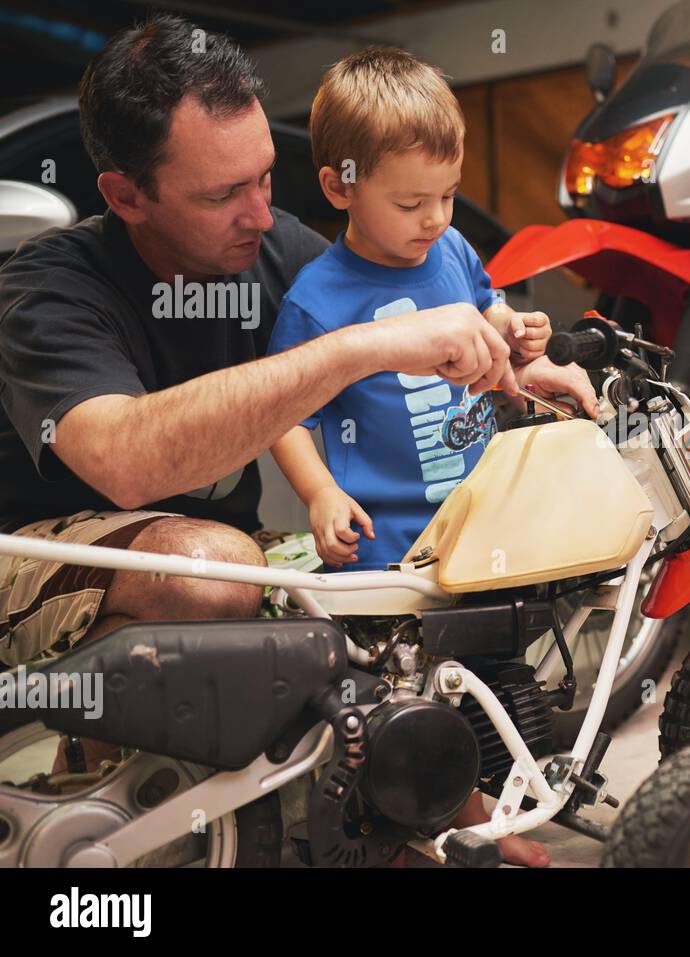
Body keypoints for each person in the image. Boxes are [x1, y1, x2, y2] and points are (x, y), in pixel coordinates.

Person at [0, 15, 592, 867]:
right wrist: (361, 348)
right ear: (127, 196)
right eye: (220, 195)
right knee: (215, 576)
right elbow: (122, 462)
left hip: (224, 553)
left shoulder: (271, 249)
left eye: (264, 179)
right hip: (36, 556)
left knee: (375, 592)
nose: (261, 213)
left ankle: (419, 813)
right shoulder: (49, 287)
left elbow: (399, 304)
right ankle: (102, 800)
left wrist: (513, 367)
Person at [267, 47, 577, 573]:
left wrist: (514, 328)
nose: (435, 219)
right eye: (410, 205)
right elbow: (283, 419)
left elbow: (486, 307)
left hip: (482, 524)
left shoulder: (452, 247)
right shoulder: (318, 300)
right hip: (387, 549)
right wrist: (320, 493)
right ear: (339, 187)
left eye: (449, 195)